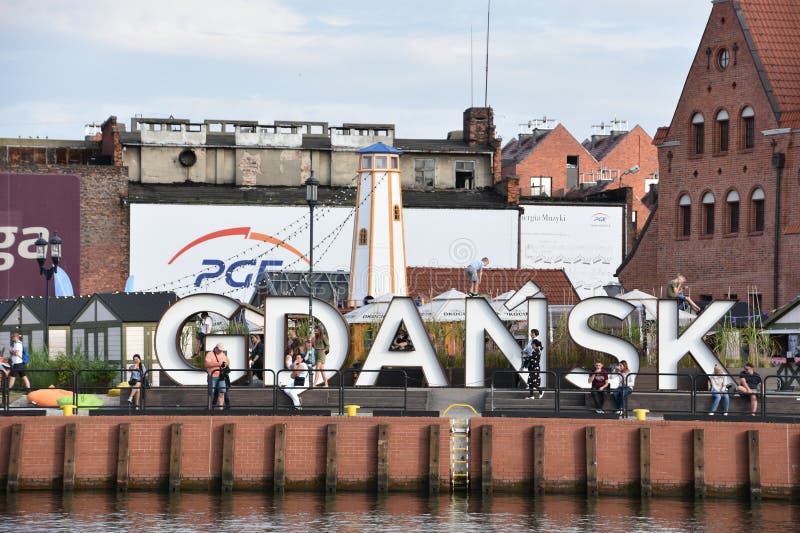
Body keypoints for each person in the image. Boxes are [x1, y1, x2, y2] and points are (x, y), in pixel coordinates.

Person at [205, 343, 229, 410]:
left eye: (221, 350)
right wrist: (218, 363)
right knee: (211, 393)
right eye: (220, 350)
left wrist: (223, 365)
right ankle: (210, 407)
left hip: (221, 376)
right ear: (216, 348)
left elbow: (225, 364)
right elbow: (207, 364)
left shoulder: (223, 354)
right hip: (212, 376)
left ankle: (220, 409)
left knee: (221, 392)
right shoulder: (209, 354)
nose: (221, 351)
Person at [522, 329, 544, 400]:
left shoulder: (537, 351)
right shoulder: (535, 350)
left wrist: (526, 357)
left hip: (535, 368)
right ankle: (531, 395)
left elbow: (531, 358)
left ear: (534, 345)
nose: (531, 345)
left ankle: (541, 390)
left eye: (532, 333)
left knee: (533, 382)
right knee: (531, 382)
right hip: (532, 367)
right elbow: (530, 357)